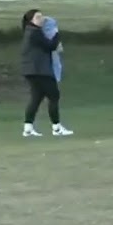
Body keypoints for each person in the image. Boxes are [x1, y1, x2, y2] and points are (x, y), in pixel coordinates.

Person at [20, 9, 72, 138]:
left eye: (42, 16)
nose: (41, 19)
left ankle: (28, 128)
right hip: (40, 70)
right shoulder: (34, 32)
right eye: (38, 17)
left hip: (32, 70)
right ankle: (57, 128)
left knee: (36, 98)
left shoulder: (30, 31)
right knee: (54, 96)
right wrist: (56, 34)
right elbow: (50, 46)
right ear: (31, 20)